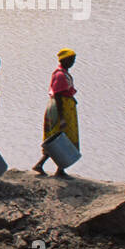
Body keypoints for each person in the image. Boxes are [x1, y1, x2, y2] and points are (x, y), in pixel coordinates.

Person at [32, 48, 79, 178]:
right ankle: (57, 169)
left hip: (66, 107)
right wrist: (62, 117)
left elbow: (65, 91)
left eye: (73, 60)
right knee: (59, 138)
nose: (73, 62)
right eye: (71, 60)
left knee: (62, 138)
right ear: (64, 60)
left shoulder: (64, 73)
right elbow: (58, 95)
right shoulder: (60, 75)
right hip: (60, 109)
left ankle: (53, 167)